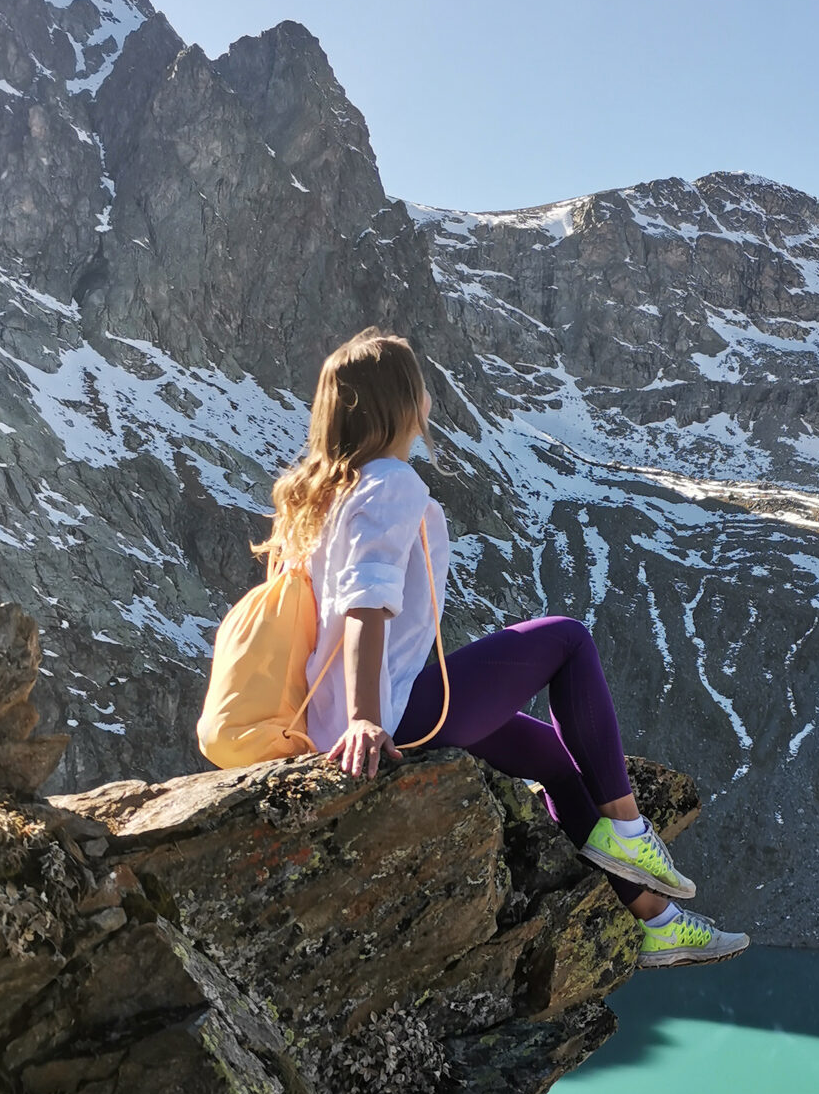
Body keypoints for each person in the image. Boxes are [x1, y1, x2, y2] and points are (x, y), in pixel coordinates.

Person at [263, 328, 748, 970]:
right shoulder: (389, 480)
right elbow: (365, 605)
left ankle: (658, 923)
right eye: (421, 385)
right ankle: (630, 830)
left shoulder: (325, 494)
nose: (429, 396)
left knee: (551, 757)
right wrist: (366, 719)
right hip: (396, 712)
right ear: (404, 402)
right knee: (568, 638)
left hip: (348, 715)